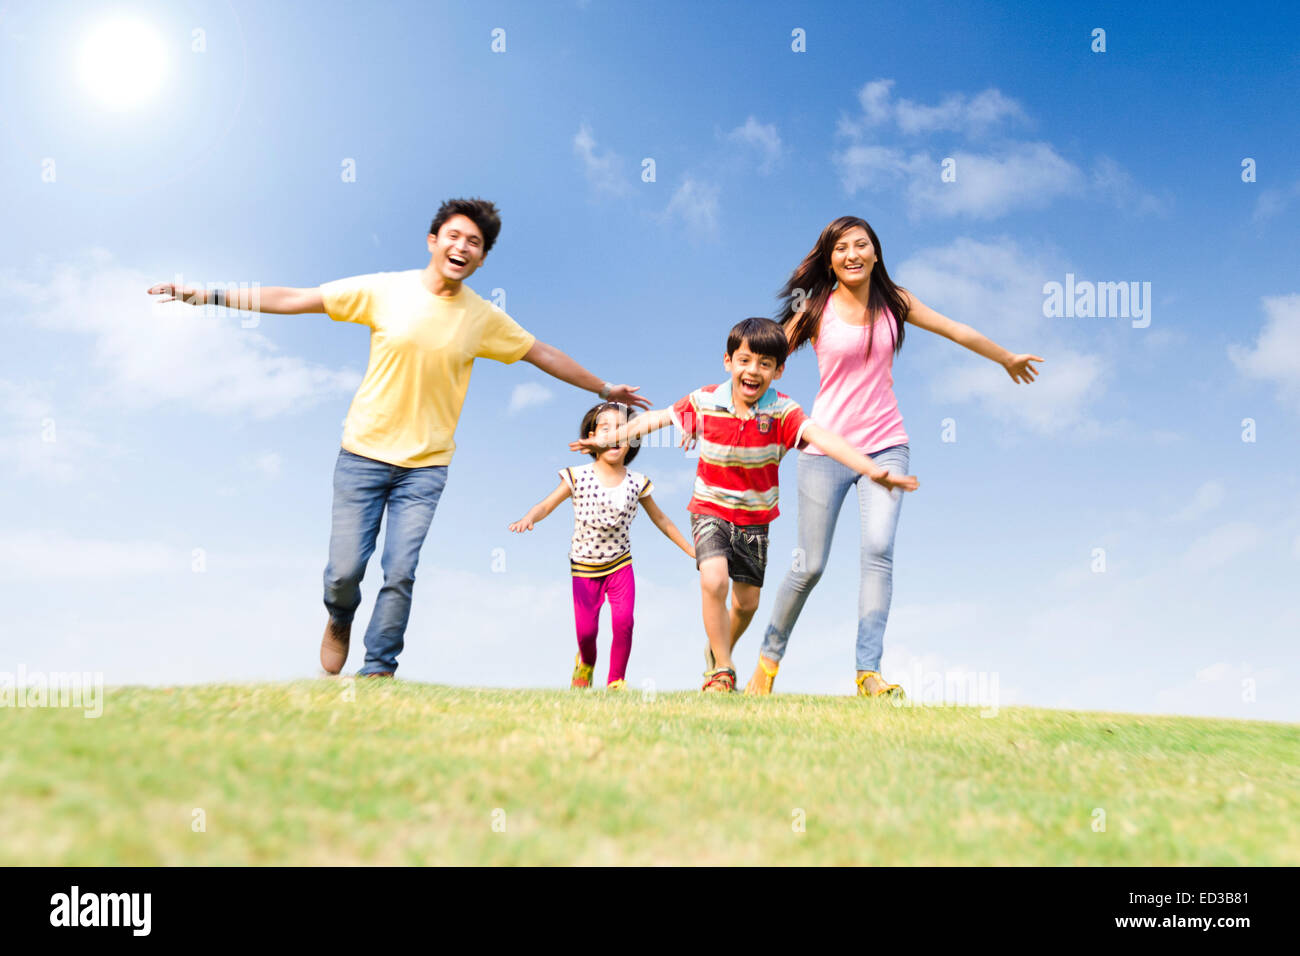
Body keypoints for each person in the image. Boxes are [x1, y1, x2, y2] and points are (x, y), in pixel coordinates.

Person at [147, 198, 651, 678]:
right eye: (453, 235)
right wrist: (207, 294)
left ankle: (378, 668)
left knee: (400, 570)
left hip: (425, 467)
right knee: (344, 572)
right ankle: (339, 617)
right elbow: (296, 298)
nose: (462, 246)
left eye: (474, 242)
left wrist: (604, 387)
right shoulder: (385, 290)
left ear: (480, 258)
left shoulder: (482, 318)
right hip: (362, 454)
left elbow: (542, 353)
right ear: (433, 240)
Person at [747, 215, 1044, 698]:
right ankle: (767, 664)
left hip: (886, 444)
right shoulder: (816, 305)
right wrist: (737, 409)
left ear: (876, 253)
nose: (852, 254)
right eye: (841, 248)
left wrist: (1005, 357)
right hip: (825, 448)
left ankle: (868, 673)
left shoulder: (895, 302)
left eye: (860, 245)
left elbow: (955, 330)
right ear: (830, 259)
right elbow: (765, 355)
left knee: (879, 552)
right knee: (810, 566)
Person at [570, 317, 918, 693]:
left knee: (747, 603)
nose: (753, 371)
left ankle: (718, 648)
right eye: (745, 360)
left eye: (765, 364)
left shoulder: (784, 413)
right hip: (710, 509)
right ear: (728, 362)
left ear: (779, 370)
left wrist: (872, 470)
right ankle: (722, 670)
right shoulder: (704, 401)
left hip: (755, 519)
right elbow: (656, 419)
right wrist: (610, 439)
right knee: (713, 579)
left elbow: (825, 439)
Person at [509, 402, 694, 689]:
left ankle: (616, 680)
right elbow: (547, 504)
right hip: (584, 567)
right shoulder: (577, 476)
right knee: (586, 632)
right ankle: (585, 664)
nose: (614, 434)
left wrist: (691, 549)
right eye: (605, 429)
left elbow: (662, 520)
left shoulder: (637, 483)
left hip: (620, 565)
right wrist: (530, 517)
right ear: (593, 438)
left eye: (621, 428)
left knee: (624, 622)